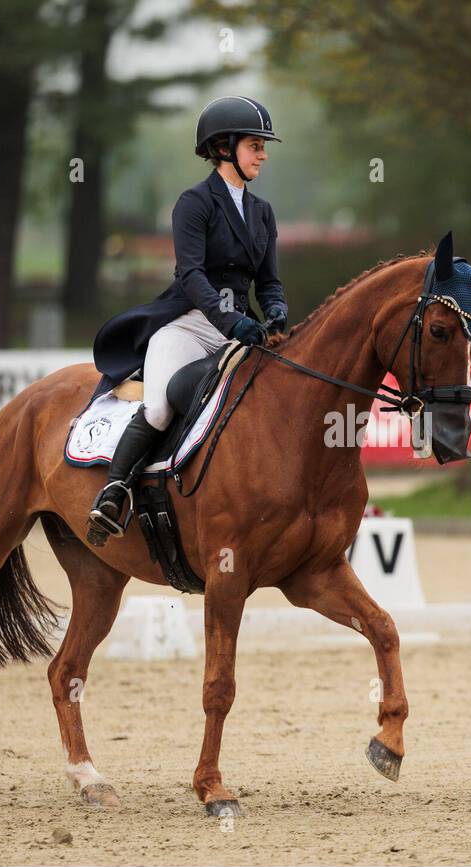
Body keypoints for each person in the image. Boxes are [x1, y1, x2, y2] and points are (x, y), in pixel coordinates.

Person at [87, 95, 289, 540]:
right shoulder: (194, 203)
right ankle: (113, 492)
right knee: (159, 406)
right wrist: (229, 321)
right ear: (224, 148)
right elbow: (191, 275)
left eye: (263, 146)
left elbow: (269, 281)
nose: (263, 154)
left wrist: (275, 310)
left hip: (241, 328)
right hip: (190, 323)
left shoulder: (262, 212)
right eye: (255, 145)